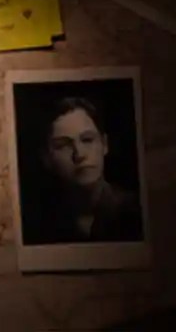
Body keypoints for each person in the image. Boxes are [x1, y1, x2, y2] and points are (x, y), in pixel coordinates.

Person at [26, 96, 143, 244]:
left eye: (87, 139)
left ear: (104, 144)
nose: (79, 154)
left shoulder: (137, 211)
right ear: (46, 158)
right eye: (63, 145)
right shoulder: (35, 225)